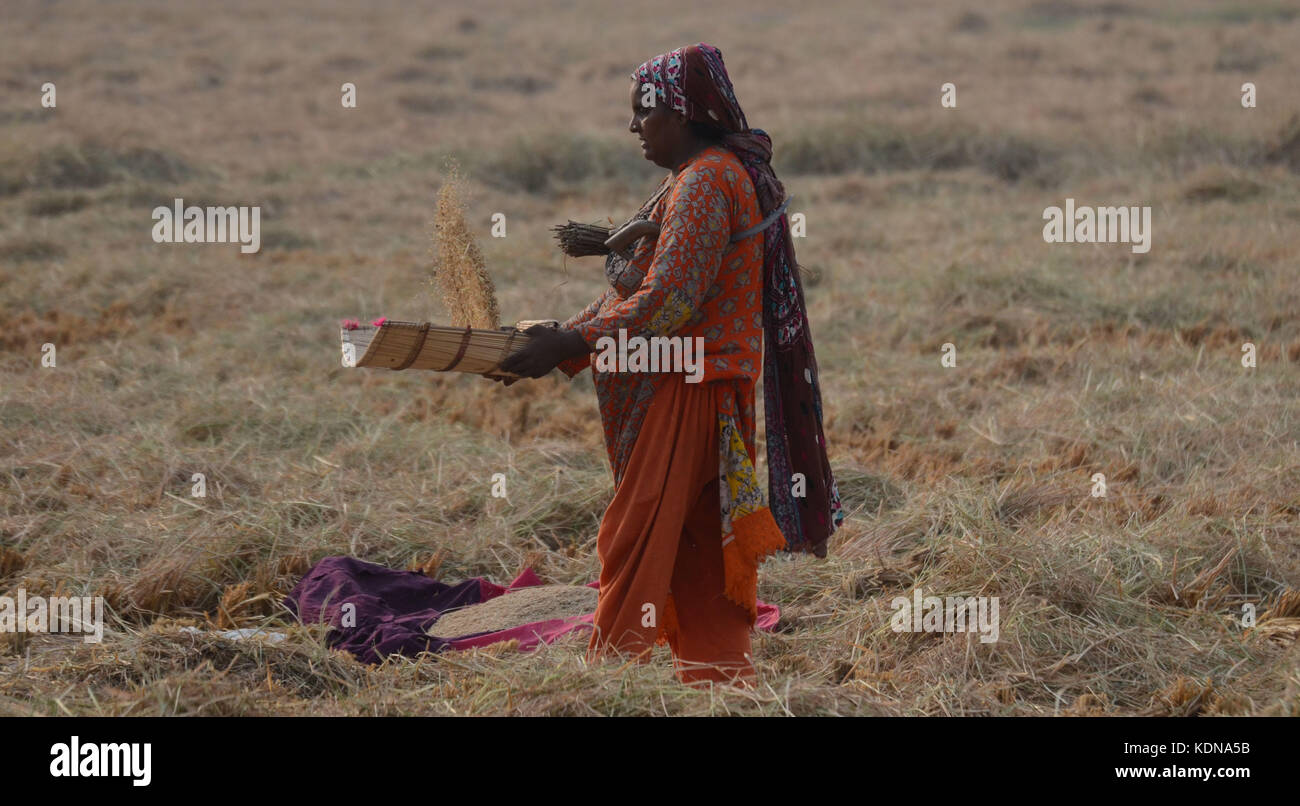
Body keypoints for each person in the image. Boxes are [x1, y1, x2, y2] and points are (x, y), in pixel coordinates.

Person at [497, 43, 843, 687]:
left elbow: (669, 300)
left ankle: (609, 679)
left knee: (639, 532)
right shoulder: (695, 178)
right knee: (690, 538)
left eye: (643, 113)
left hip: (692, 383)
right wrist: (563, 334)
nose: (633, 127)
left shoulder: (707, 180)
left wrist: (569, 344)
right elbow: (656, 284)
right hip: (701, 378)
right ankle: (716, 672)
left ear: (682, 113)